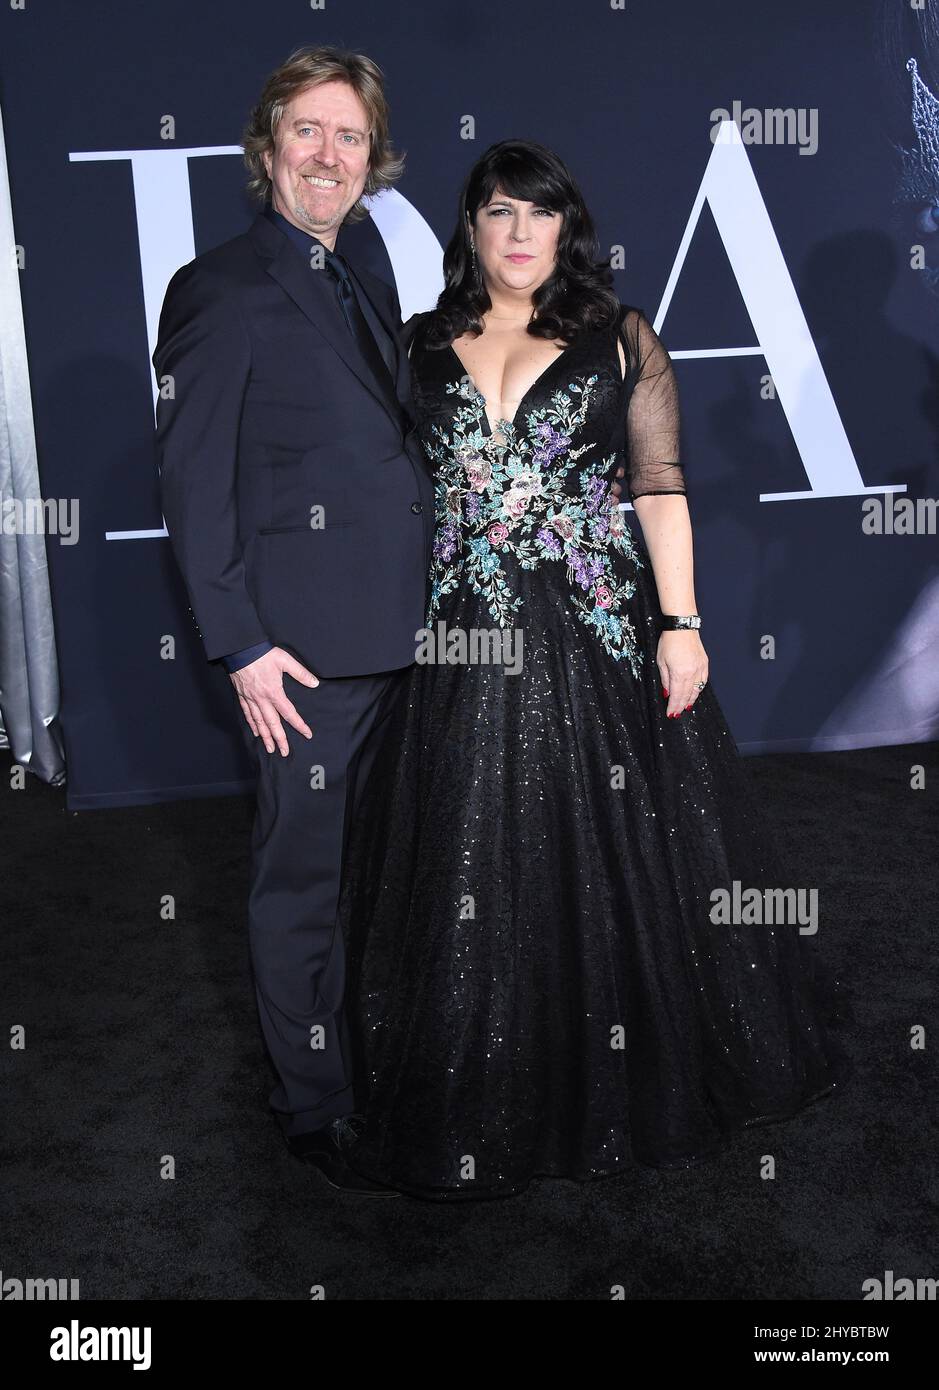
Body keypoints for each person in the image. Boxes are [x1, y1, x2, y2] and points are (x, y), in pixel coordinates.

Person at [339, 139, 852, 1200]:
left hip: (594, 628)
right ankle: (474, 1079)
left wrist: (683, 622)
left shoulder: (619, 338)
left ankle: (626, 1069)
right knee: (464, 850)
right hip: (459, 636)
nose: (520, 233)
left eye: (541, 213)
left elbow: (658, 486)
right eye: (499, 212)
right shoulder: (418, 343)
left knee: (620, 849)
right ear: (470, 228)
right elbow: (382, 494)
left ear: (567, 228)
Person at [152, 46, 436, 1194]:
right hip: (304, 655)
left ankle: (368, 1056)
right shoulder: (217, 289)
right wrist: (241, 643)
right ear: (267, 146)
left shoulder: (357, 261)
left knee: (383, 869)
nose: (329, 157)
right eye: (308, 133)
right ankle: (313, 1104)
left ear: (374, 159)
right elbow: (190, 485)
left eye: (350, 137)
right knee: (303, 878)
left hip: (407, 634)